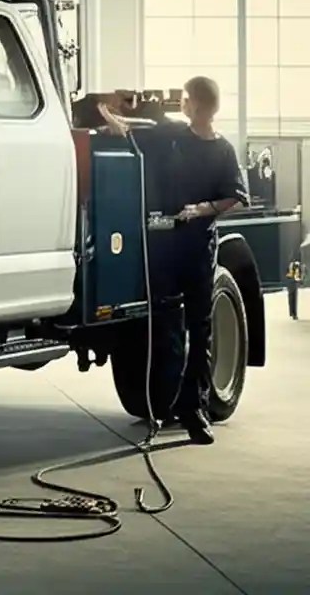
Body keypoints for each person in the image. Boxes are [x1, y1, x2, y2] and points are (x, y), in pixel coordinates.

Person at [97, 76, 249, 445]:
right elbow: (133, 135)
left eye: (184, 99)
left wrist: (202, 209)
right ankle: (163, 402)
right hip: (164, 245)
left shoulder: (222, 150)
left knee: (200, 329)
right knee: (165, 327)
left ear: (196, 105)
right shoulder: (172, 135)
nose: (180, 104)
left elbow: (237, 195)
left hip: (197, 245)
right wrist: (111, 115)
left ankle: (193, 408)